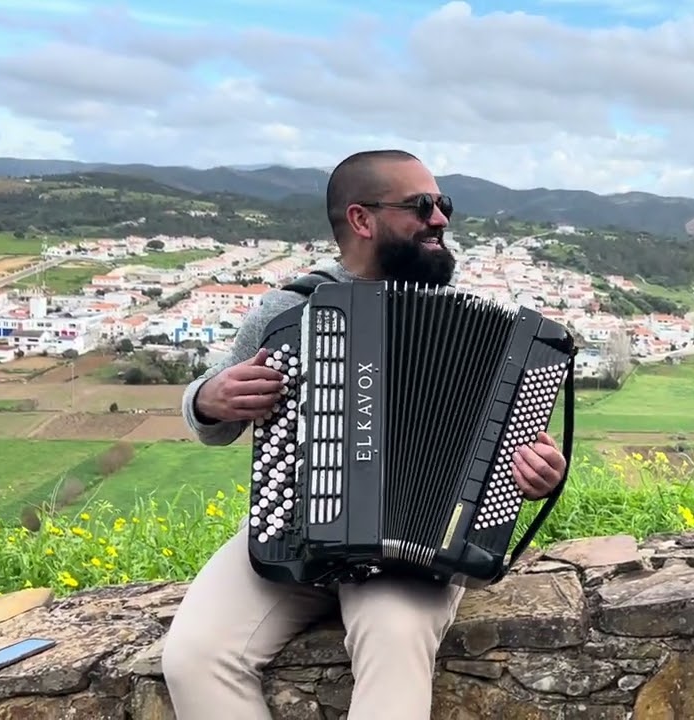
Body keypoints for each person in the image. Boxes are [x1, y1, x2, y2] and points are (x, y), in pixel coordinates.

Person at [161, 150, 569, 720]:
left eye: (443, 204)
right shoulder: (288, 310)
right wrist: (208, 399)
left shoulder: (465, 316)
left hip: (417, 551)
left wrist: (541, 471)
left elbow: (515, 443)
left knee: (395, 636)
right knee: (193, 656)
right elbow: (216, 414)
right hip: (293, 527)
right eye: (422, 206)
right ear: (361, 219)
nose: (440, 219)